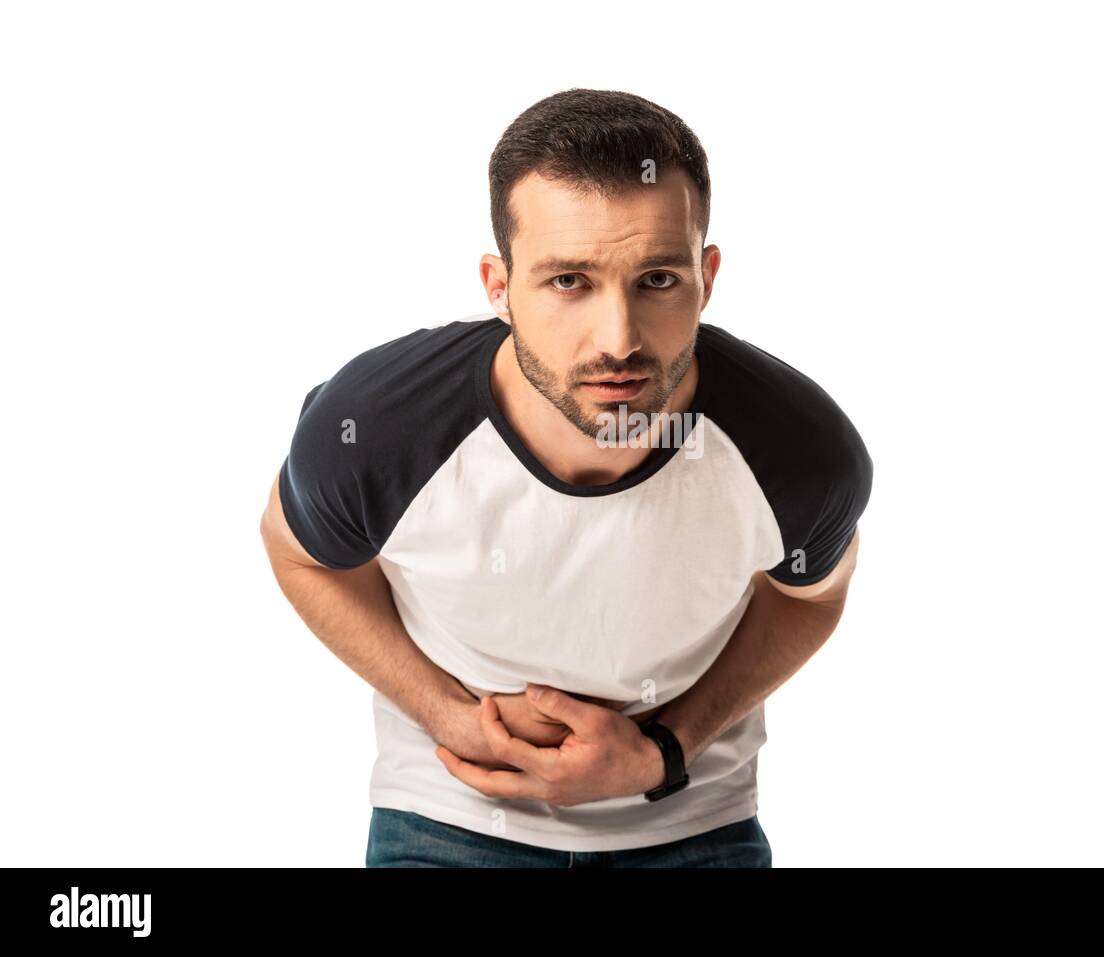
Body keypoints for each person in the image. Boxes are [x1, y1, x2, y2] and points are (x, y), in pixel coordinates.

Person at [259, 88, 873, 867]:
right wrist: (448, 715)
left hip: (692, 823)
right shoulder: (377, 425)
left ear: (706, 275)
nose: (617, 340)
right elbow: (300, 554)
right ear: (498, 286)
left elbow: (809, 597)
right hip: (448, 816)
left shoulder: (800, 447)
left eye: (657, 279)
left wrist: (666, 749)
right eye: (568, 281)